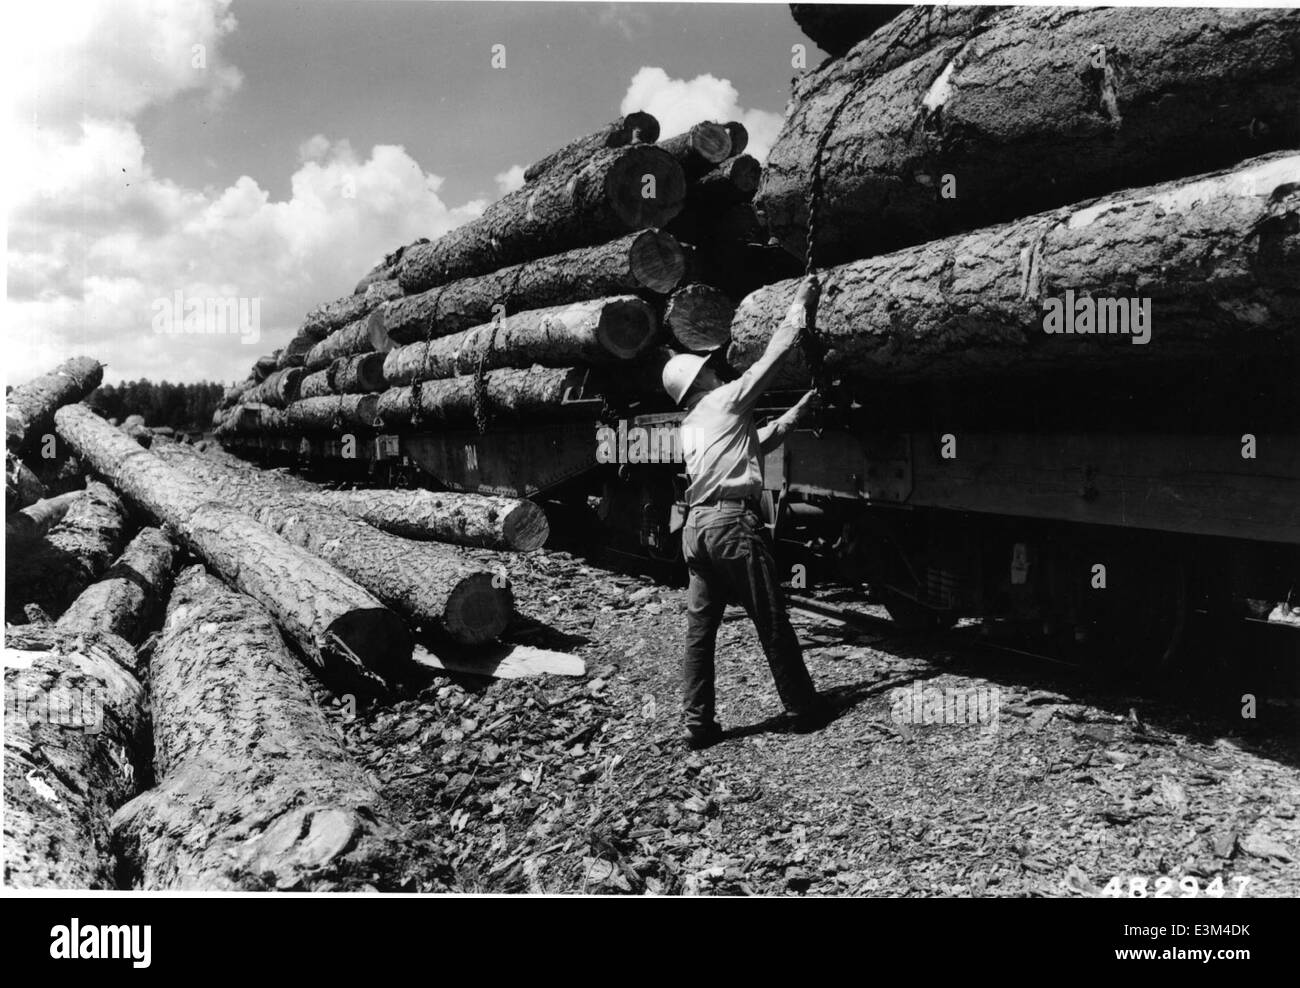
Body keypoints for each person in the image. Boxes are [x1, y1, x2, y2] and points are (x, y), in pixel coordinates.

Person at [661, 274, 831, 751]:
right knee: (770, 615)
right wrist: (798, 305)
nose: (719, 371)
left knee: (699, 631)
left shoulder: (694, 423)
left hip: (696, 529)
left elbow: (755, 445)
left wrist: (795, 413)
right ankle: (802, 708)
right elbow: (771, 360)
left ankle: (698, 724)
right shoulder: (723, 399)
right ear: (703, 379)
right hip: (730, 526)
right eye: (712, 369)